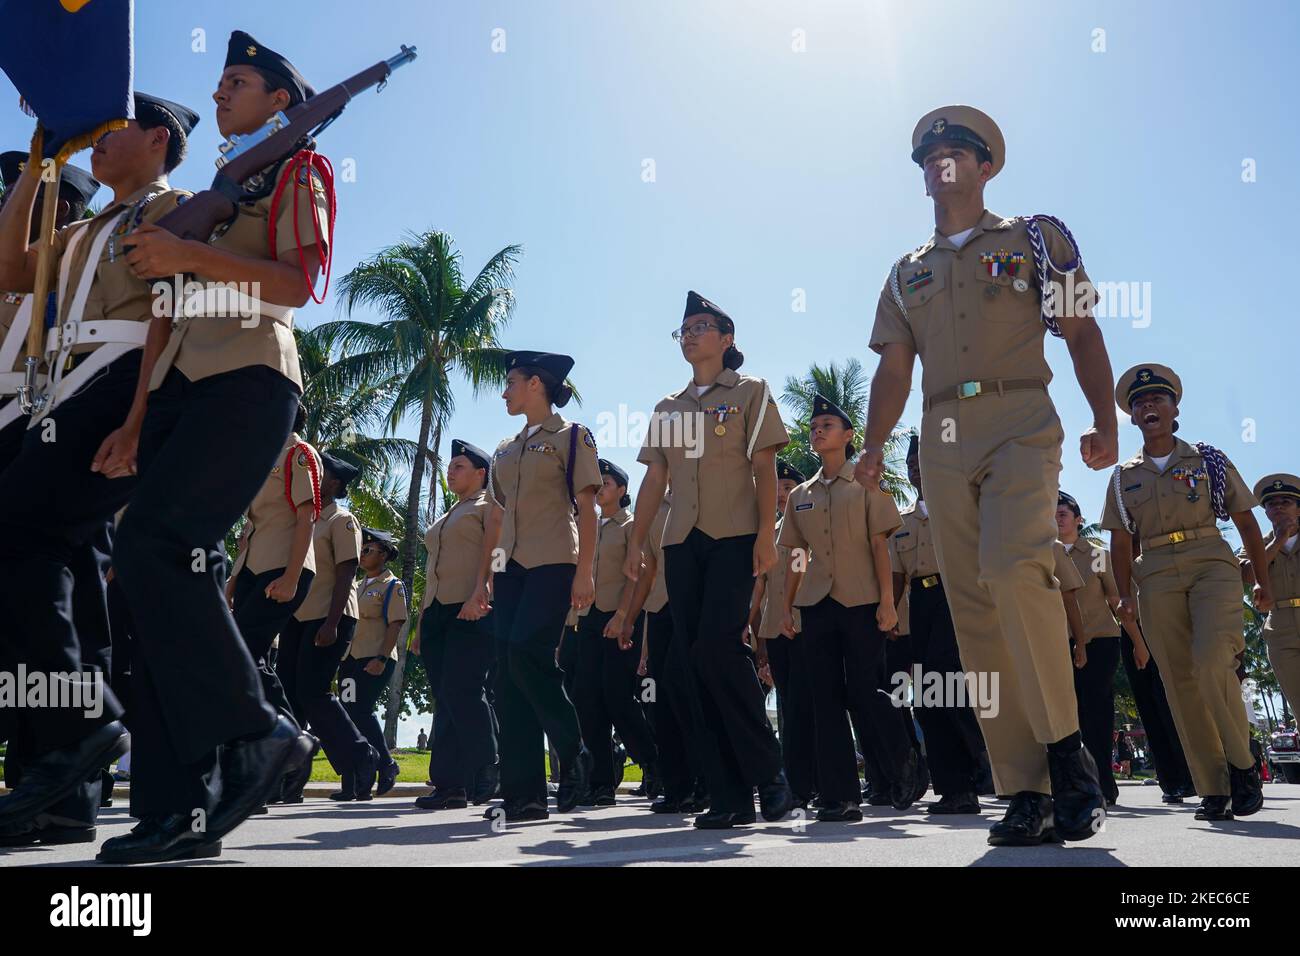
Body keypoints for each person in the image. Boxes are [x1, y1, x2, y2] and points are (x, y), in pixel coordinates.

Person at [98, 33, 331, 863]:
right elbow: (163, 308)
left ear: (279, 100)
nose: (221, 91)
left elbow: (298, 283)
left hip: (251, 377)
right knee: (141, 585)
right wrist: (132, 419)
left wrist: (189, 253)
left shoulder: (298, 170)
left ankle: (257, 731)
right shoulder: (204, 195)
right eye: (220, 80)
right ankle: (175, 810)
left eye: (237, 82)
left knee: (160, 547)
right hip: (175, 391)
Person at [862, 105, 1118, 846]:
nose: (940, 161)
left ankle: (1069, 756)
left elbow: (1081, 330)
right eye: (928, 155)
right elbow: (894, 366)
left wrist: (1105, 419)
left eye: (955, 149)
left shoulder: (1035, 240)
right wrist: (875, 448)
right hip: (939, 433)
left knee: (1014, 569)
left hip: (1019, 420)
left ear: (985, 165)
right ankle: (1026, 787)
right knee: (972, 610)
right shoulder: (907, 271)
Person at [0, 94, 198, 841]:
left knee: (18, 529)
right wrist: (36, 170)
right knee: (44, 551)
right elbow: (9, 271)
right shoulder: (83, 230)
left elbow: (169, 313)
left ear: (158, 139)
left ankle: (84, 729)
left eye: (111, 132)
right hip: (68, 393)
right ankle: (69, 747)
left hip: (119, 380)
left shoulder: (173, 207)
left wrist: (139, 416)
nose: (97, 144)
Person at [626, 291, 793, 829]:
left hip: (735, 537)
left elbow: (765, 467)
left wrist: (767, 535)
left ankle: (771, 774)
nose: (691, 334)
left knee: (718, 648)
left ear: (726, 340)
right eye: (685, 329)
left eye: (702, 326)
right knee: (693, 665)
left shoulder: (751, 392)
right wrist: (635, 541)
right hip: (681, 543)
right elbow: (655, 478)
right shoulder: (667, 408)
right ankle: (729, 795)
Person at [1103, 363, 1271, 821]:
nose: (1148, 405)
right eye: (1139, 403)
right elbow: (1120, 540)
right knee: (1180, 683)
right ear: (1133, 418)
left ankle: (1243, 764)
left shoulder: (1208, 460)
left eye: (1158, 398)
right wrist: (1124, 597)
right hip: (1153, 572)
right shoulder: (1122, 477)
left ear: (1175, 409)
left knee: (1213, 658)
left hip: (1210, 562)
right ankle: (1213, 786)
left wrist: (1260, 578)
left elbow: (1246, 521)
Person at [778, 395, 924, 821]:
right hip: (817, 604)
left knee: (864, 690)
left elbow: (880, 546)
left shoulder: (866, 486)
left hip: (862, 603)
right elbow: (795, 556)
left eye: (827, 424)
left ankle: (905, 757)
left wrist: (887, 602)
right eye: (814, 425)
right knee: (824, 699)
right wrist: (787, 606)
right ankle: (839, 796)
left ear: (848, 436)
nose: (818, 430)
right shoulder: (799, 496)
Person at [473, 350, 600, 822]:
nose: (504, 391)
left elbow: (587, 509)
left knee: (528, 653)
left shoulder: (572, 438)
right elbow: (499, 516)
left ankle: (574, 749)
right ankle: (523, 797)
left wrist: (586, 571)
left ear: (535, 384)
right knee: (506, 676)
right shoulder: (505, 449)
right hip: (511, 570)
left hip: (554, 562)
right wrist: (486, 578)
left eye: (511, 382)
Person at [891, 434, 986, 814]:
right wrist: (889, 611)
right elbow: (898, 575)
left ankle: (985, 755)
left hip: (958, 593)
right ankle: (955, 789)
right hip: (921, 602)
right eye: (911, 463)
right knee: (929, 700)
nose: (916, 467)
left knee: (946, 675)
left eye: (922, 460)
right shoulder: (901, 523)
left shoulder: (963, 506)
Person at [275, 450, 372, 804]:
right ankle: (291, 776)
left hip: (331, 616)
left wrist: (332, 623)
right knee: (290, 695)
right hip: (297, 616)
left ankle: (360, 757)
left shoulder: (341, 520)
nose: (314, 475)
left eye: (322, 472)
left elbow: (347, 571)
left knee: (314, 692)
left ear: (334, 483)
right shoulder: (308, 519)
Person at [224, 403, 321, 740]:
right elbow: (251, 530)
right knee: (252, 657)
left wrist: (292, 578)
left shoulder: (298, 453)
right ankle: (280, 743)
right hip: (255, 569)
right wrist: (234, 581)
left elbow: (306, 516)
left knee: (243, 651)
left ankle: (288, 741)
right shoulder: (266, 458)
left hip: (282, 569)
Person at [413, 439, 498, 811]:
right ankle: (450, 785)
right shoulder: (448, 515)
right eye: (450, 466)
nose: (451, 470)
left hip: (471, 608)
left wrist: (482, 592)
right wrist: (420, 625)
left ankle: (489, 763)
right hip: (437, 612)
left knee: (463, 689)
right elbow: (431, 575)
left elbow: (497, 554)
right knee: (446, 698)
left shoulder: (489, 508)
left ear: (481, 473)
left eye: (460, 466)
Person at [571, 458, 658, 805]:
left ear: (622, 491)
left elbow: (637, 576)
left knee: (618, 699)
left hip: (619, 619)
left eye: (606, 483)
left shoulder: (632, 527)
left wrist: (624, 616)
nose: (600, 488)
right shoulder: (584, 526)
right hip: (587, 619)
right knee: (587, 699)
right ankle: (601, 782)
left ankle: (653, 763)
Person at [1056, 490, 1147, 807]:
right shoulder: (1042, 555)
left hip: (1100, 641)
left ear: (1079, 520)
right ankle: (1072, 784)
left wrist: (1137, 641)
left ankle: (1103, 786)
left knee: (1095, 712)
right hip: (1057, 643)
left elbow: (1116, 601)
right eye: (1052, 512)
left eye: (1063, 512)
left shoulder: (1096, 554)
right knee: (1066, 715)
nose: (1057, 516)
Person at [624, 485, 707, 813]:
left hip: (695, 607)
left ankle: (707, 781)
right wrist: (631, 619)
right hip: (659, 610)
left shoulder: (702, 494)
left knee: (688, 692)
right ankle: (677, 787)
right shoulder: (653, 507)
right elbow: (648, 571)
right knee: (661, 702)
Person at [750, 459, 818, 809]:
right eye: (777, 493)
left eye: (788, 491)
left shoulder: (810, 529)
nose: (781, 498)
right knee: (789, 707)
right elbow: (761, 590)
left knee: (810, 705)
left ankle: (816, 779)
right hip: (775, 630)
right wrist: (760, 642)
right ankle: (796, 781)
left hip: (804, 627)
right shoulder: (770, 535)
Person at [337, 529, 406, 801]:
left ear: (385, 554)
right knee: (347, 715)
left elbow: (396, 623)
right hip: (350, 660)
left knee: (361, 710)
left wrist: (381, 657)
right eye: (361, 550)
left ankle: (386, 763)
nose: (362, 555)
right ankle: (355, 784)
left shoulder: (392, 585)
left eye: (368, 550)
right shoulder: (354, 586)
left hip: (375, 657)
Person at [1246, 474, 1300, 712]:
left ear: (1298, 508)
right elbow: (1245, 575)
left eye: (1285, 501)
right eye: (1271, 503)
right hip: (1281, 630)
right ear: (1266, 512)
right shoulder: (1257, 545)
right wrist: (1278, 541)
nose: (1278, 507)